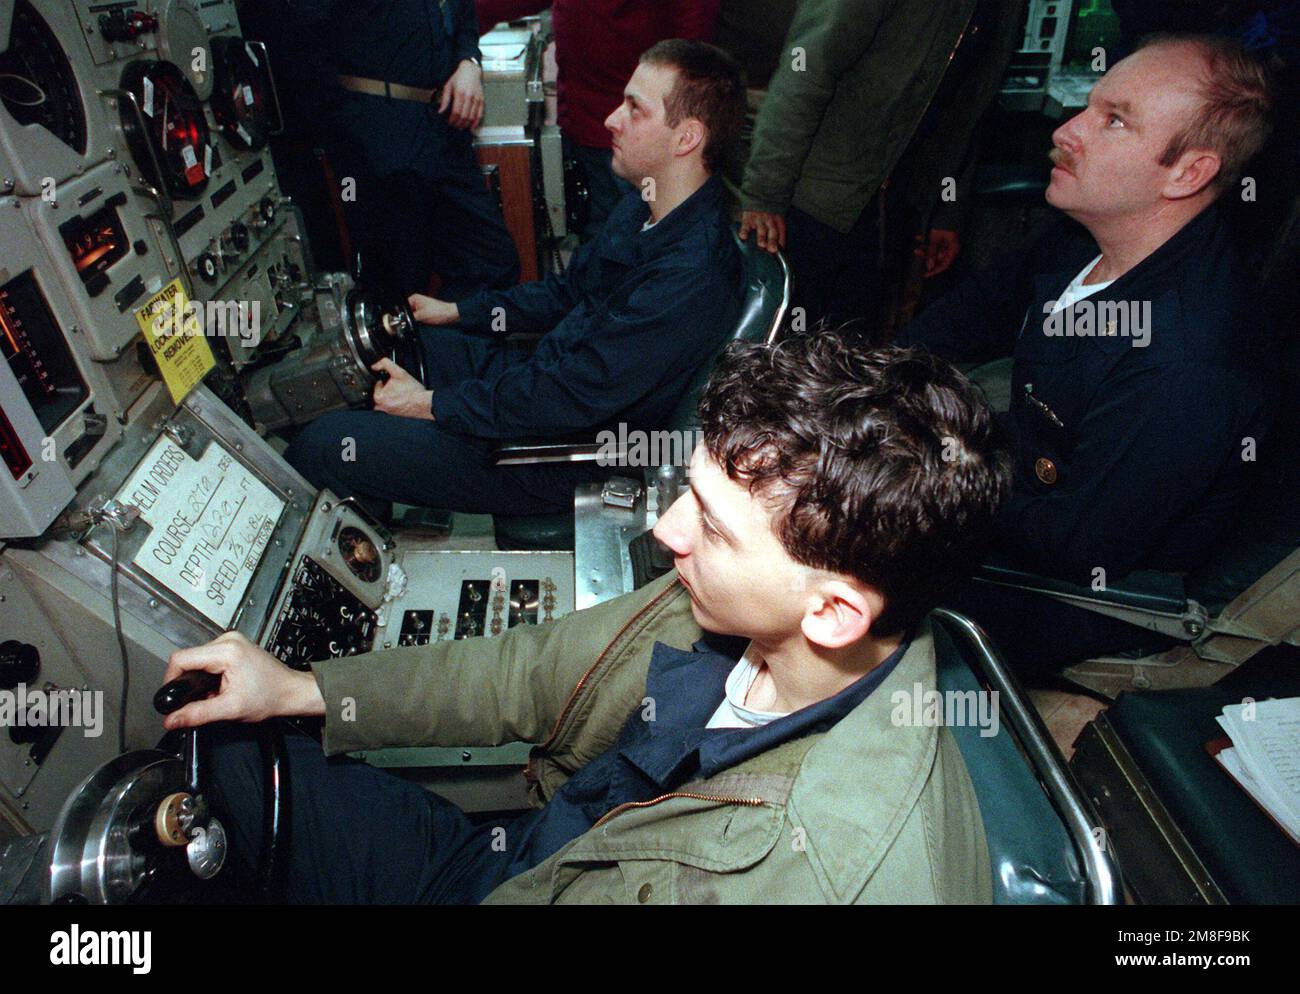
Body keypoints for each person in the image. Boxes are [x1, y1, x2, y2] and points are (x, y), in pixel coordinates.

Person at [161, 330, 1010, 904]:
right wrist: (304, 690)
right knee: (234, 758)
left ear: (832, 612)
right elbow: (528, 672)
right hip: (539, 851)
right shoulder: (742, 605)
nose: (665, 528)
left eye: (710, 524)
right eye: (689, 491)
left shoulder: (812, 877)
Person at [896, 34, 1277, 675]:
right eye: (1089, 107)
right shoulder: (1085, 232)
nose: (1068, 131)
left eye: (1114, 121)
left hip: (1077, 591)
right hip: (1017, 480)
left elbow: (1074, 546)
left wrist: (931, 462)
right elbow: (964, 320)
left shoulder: (1187, 363)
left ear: (1188, 173)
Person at [285, 40, 747, 518]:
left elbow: (570, 397)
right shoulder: (646, 204)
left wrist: (431, 405)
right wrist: (459, 312)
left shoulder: (691, 276)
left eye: (635, 109)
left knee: (324, 445)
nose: (612, 119)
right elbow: (566, 294)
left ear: (686, 138)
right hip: (542, 387)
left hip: (558, 454)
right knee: (399, 345)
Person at [734, 1, 981, 330]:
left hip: (891, 212)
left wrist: (946, 212)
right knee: (780, 344)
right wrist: (765, 194)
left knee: (850, 351)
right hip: (810, 193)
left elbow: (969, 105)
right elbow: (806, 72)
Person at [285, 0, 519, 301]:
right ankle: (411, 346)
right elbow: (300, 45)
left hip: (445, 127)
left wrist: (469, 62)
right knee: (396, 283)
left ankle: (447, 347)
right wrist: (353, 129)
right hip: (377, 131)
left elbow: (463, 13)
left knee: (492, 261)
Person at [475, 0, 720, 239]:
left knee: (647, 237)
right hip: (586, 122)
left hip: (643, 131)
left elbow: (694, 33)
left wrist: (675, 113)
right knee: (600, 238)